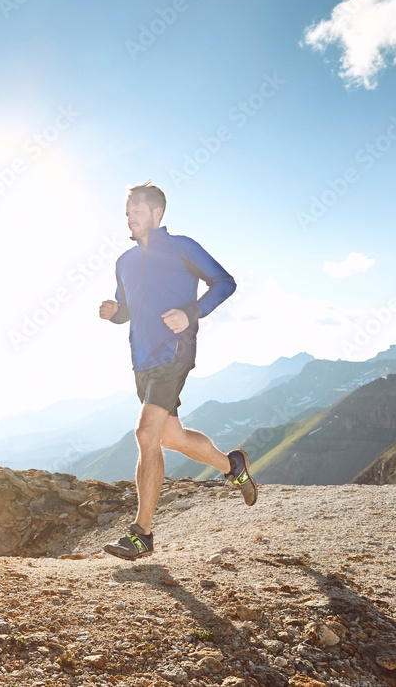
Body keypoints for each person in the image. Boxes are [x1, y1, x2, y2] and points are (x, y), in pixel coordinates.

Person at [99, 181, 257, 560]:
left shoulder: (182, 247)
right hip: (142, 359)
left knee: (146, 433)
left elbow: (225, 282)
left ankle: (142, 534)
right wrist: (113, 313)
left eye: (136, 211)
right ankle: (233, 466)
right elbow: (126, 310)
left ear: (157, 214)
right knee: (171, 436)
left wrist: (191, 313)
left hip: (175, 352)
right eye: (127, 212)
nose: (129, 218)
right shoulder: (123, 262)